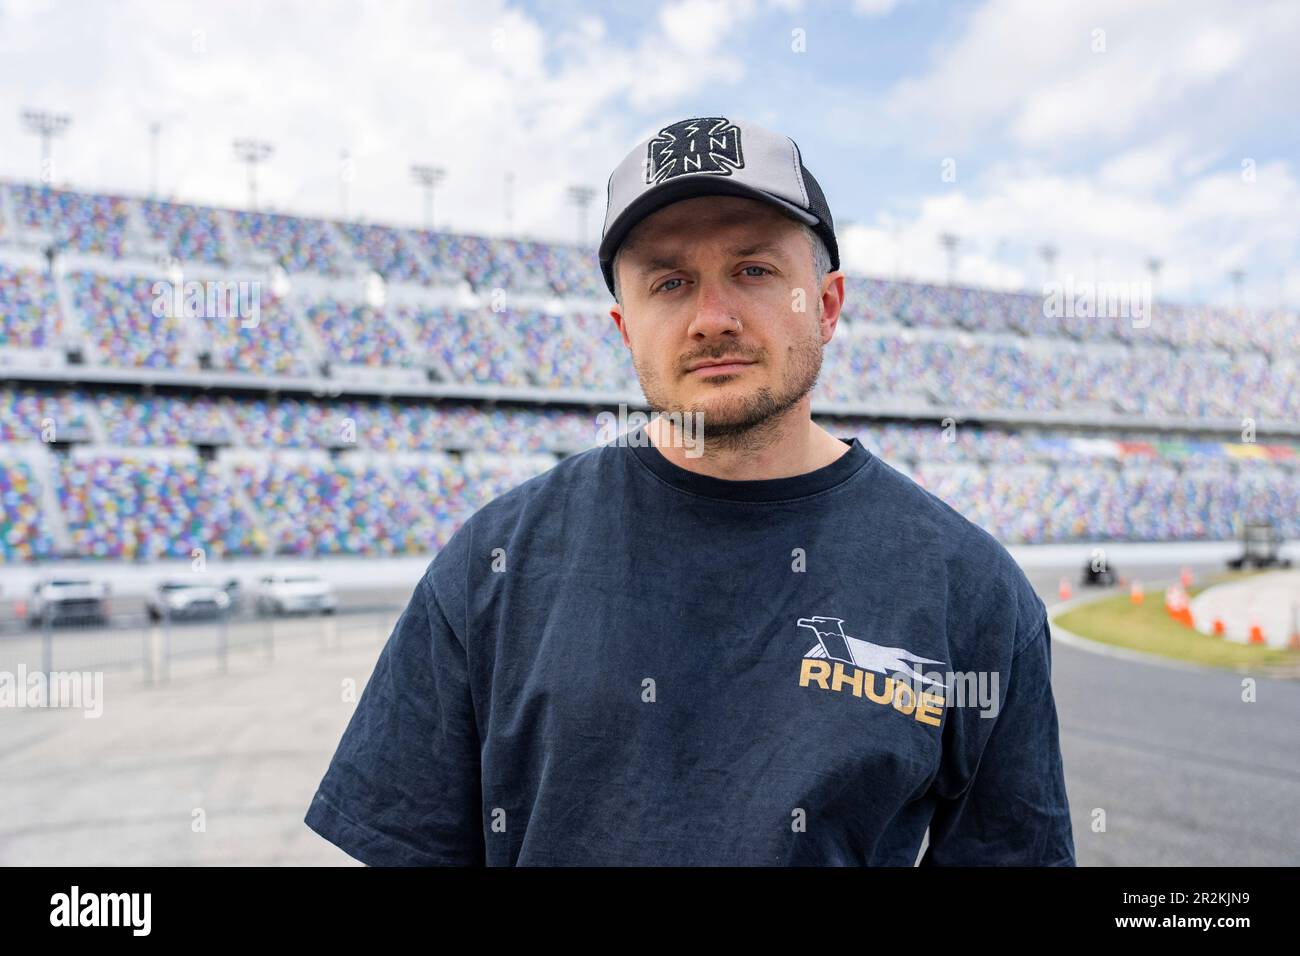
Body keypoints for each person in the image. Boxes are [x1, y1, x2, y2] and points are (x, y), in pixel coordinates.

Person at [304, 115, 1076, 866]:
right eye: (670, 282)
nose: (712, 319)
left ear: (829, 304)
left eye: (754, 270)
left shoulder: (972, 592)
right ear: (625, 328)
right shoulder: (494, 561)